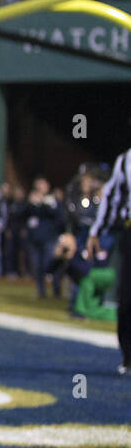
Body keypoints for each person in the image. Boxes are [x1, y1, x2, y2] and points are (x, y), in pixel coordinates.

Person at [86, 145, 130, 374]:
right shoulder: (126, 160)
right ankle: (129, 357)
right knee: (127, 298)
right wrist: (95, 231)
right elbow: (111, 197)